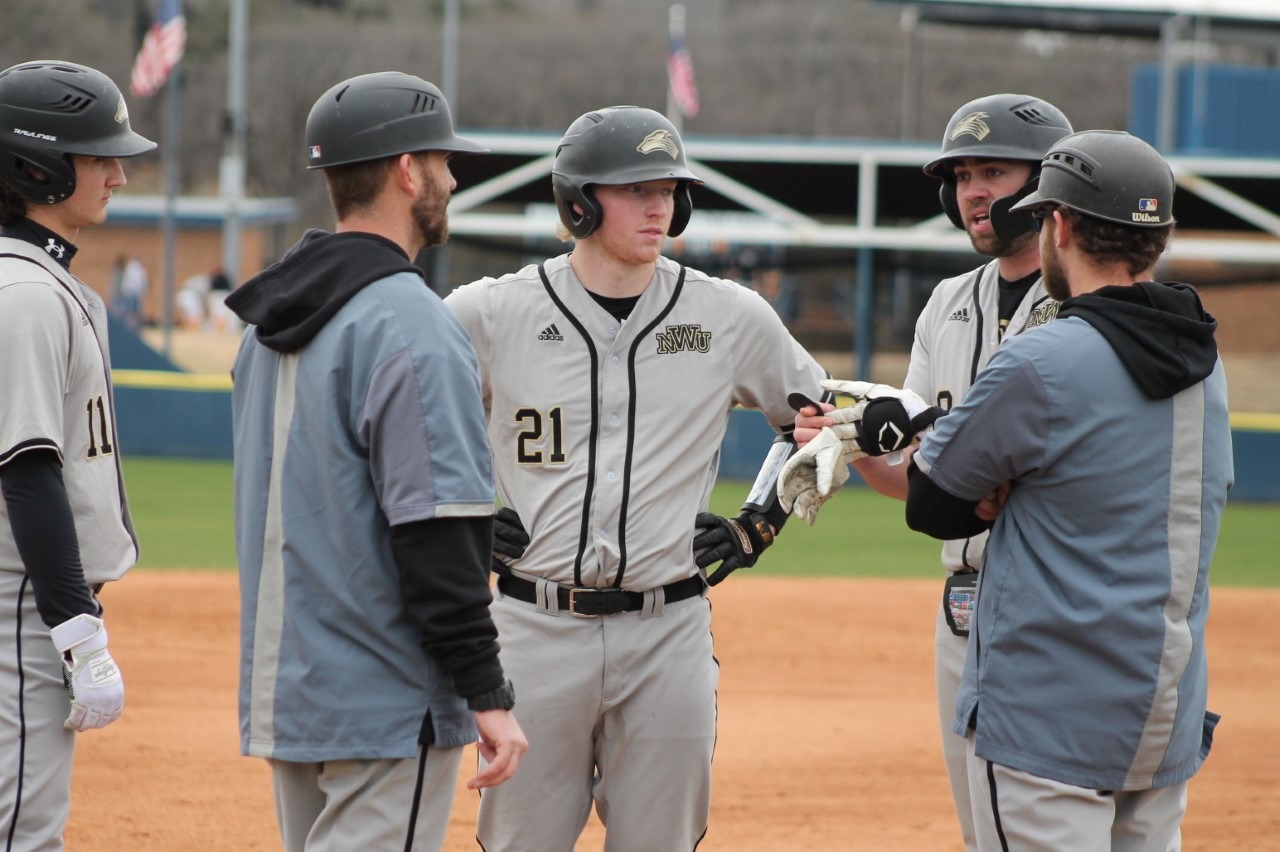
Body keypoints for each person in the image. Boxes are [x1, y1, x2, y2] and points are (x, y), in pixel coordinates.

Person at [443, 105, 829, 850]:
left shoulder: (728, 316)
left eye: (670, 189)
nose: (661, 206)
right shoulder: (491, 313)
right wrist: (461, 515)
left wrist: (759, 521)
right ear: (579, 200)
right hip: (532, 625)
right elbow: (404, 416)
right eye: (637, 189)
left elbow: (819, 423)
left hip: (668, 632)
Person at [224, 71, 527, 852]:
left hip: (293, 692)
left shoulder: (265, 323)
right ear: (404, 170)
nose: (453, 179)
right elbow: (437, 534)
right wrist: (486, 693)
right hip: (388, 701)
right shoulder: (413, 323)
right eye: (443, 161)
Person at [784, 92, 1074, 850]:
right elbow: (919, 476)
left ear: (1046, 183)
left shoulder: (1088, 300)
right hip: (966, 612)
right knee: (986, 831)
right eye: (963, 176)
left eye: (994, 171)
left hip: (1059, 601)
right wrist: (849, 444)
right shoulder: (947, 303)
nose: (974, 191)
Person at [0, 59, 155, 849]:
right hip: (19, 607)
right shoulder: (25, 294)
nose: (119, 175)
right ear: (40, 166)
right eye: (100, 156)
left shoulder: (32, 282)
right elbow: (27, 474)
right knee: (25, 830)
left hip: (25, 601)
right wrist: (77, 631)